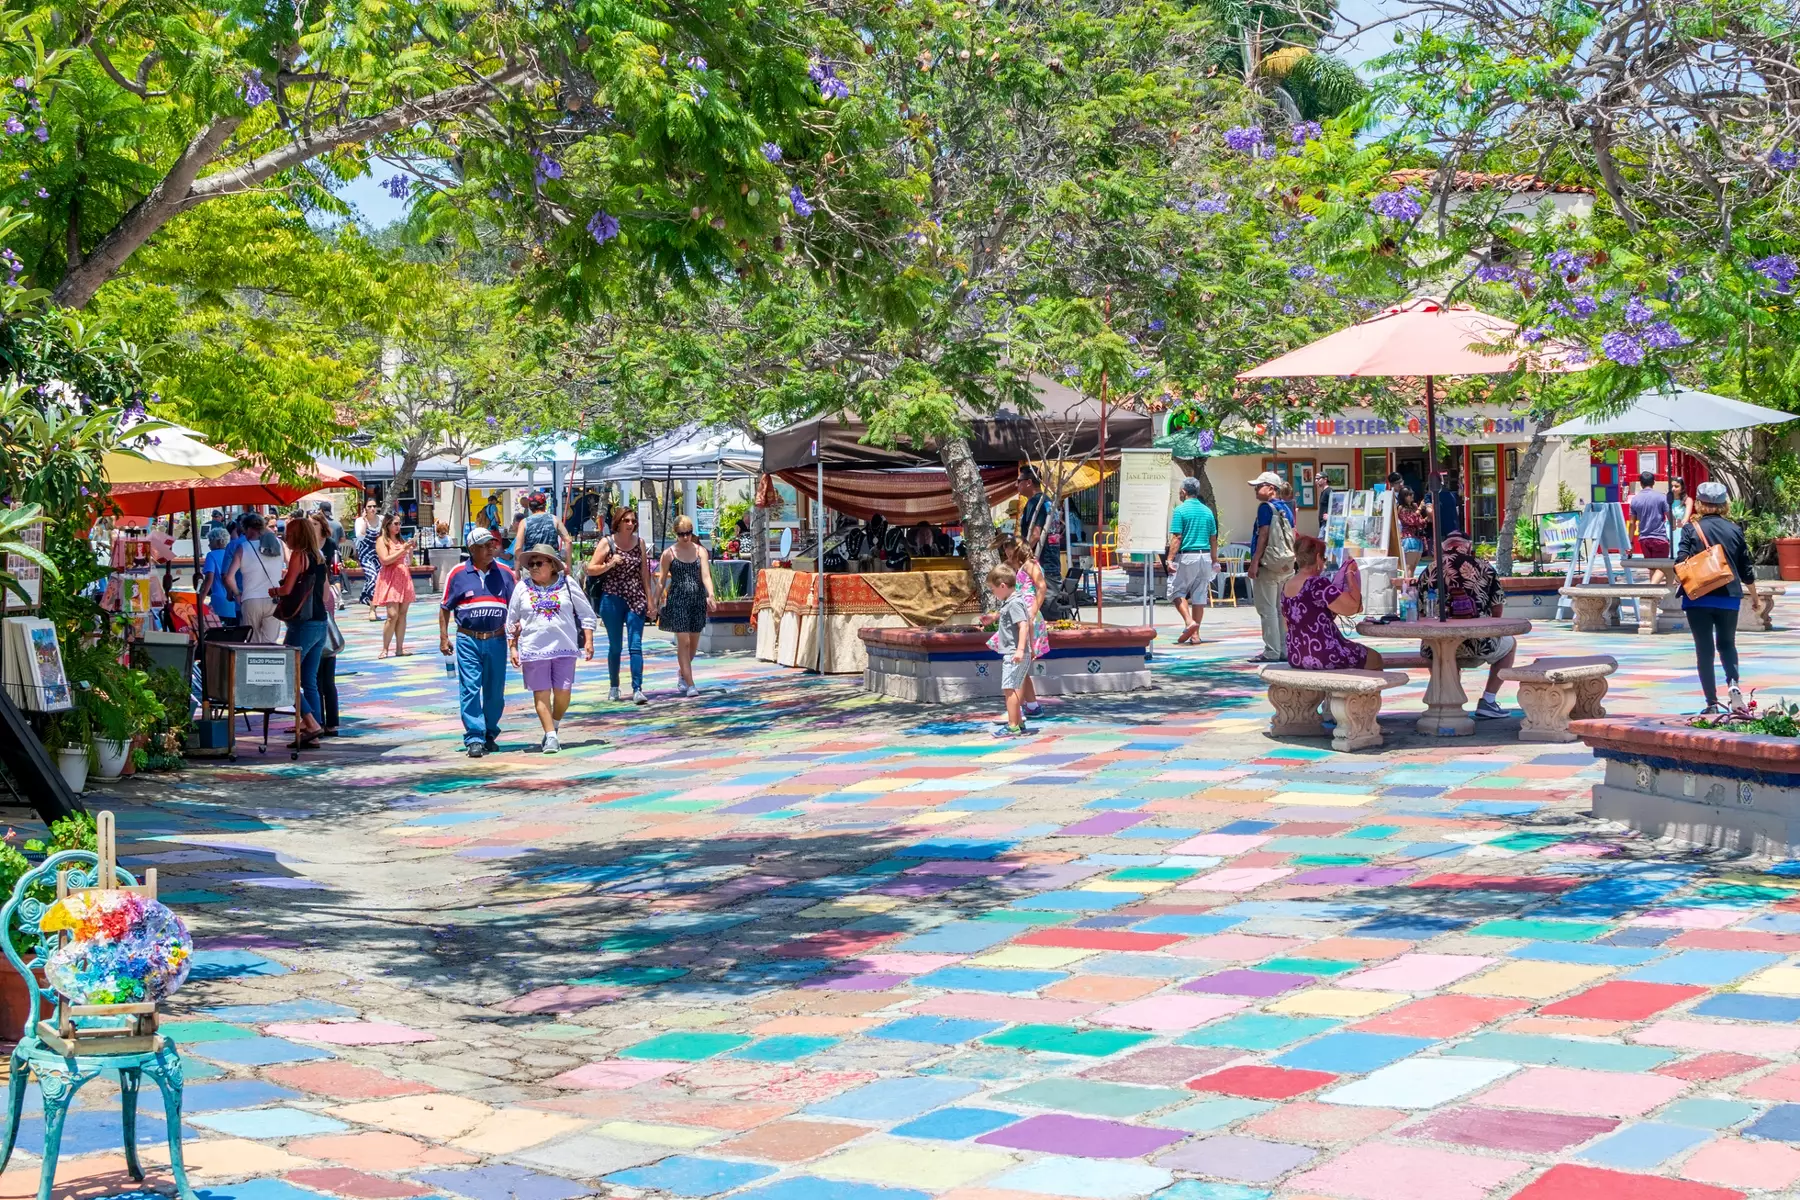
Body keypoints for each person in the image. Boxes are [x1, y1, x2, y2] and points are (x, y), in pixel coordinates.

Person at [507, 543, 595, 753]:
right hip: (534, 648)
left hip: (565, 647)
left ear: (553, 565)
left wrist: (589, 640)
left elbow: (586, 613)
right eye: (531, 565)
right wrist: (512, 647)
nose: (534, 568)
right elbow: (512, 619)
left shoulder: (567, 584)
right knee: (541, 693)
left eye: (539, 563)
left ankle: (553, 724)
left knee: (563, 693)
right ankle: (551, 736)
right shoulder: (522, 588)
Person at [1677, 480, 1756, 714]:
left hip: (1698, 597)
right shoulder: (1735, 529)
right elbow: (1746, 569)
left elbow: (1680, 561)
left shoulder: (1691, 529)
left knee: (1704, 649)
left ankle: (1711, 704)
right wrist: (1755, 596)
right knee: (1727, 644)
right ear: (1725, 504)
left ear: (1700, 503)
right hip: (1729, 596)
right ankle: (1733, 683)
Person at [1419, 531, 1516, 719]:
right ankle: (1488, 700)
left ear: (1444, 548)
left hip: (1437, 646)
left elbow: (1421, 613)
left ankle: (1451, 691)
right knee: (1510, 644)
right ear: (1469, 547)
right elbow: (1497, 611)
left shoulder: (1429, 570)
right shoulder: (1485, 568)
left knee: (1434, 648)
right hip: (1480, 644)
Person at [440, 529, 517, 755]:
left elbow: (515, 608)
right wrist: (444, 638)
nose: (490, 549)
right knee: (470, 688)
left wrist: (515, 640)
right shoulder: (457, 573)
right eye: (484, 546)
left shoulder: (505, 573)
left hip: (497, 638)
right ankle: (474, 736)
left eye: (492, 545)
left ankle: (490, 732)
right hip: (468, 639)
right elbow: (445, 607)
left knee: (495, 691)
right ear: (471, 549)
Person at [586, 505, 657, 704]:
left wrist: (650, 601)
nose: (630, 524)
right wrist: (609, 564)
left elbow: (645, 572)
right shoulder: (607, 542)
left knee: (635, 644)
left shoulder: (639, 543)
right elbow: (591, 569)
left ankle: (637, 688)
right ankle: (614, 685)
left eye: (633, 521)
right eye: (626, 520)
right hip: (612, 597)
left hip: (635, 596)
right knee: (615, 645)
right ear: (618, 522)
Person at [1281, 536, 1385, 670]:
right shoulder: (1317, 583)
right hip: (1324, 654)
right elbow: (1354, 608)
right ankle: (1355, 691)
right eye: (1324, 559)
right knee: (1375, 658)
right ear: (1318, 557)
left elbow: (1292, 623)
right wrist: (1350, 575)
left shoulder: (1286, 586)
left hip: (1297, 654)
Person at [274, 514, 330, 747]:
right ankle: (312, 729)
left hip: (302, 623)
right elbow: (325, 593)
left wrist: (274, 591)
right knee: (309, 679)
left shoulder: (298, 556)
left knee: (286, 675)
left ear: (297, 535)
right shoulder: (319, 557)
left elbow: (287, 589)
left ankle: (310, 722)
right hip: (320, 621)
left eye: (289, 534)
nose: (285, 538)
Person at [656, 515, 717, 696]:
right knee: (684, 641)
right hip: (678, 600)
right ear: (676, 534)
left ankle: (682, 673)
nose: (685, 537)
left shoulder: (700, 551)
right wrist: (653, 601)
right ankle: (691, 684)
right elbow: (661, 581)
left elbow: (705, 576)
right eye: (682, 534)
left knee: (693, 644)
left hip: (697, 599)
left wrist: (711, 594)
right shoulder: (669, 554)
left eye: (689, 533)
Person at [994, 536, 1050, 718]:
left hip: (1026, 616)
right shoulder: (1020, 566)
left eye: (1010, 549)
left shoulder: (1029, 565)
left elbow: (1042, 587)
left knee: (1018, 665)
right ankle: (1032, 706)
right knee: (1022, 667)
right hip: (1019, 614)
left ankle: (1015, 709)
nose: (1007, 552)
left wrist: (1033, 612)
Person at [1247, 471, 1297, 663]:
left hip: (1268, 564)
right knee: (1280, 609)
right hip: (1285, 563)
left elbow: (1263, 535)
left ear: (1272, 489)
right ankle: (1284, 649)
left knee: (1267, 609)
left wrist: (1254, 562)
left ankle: (1271, 651)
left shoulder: (1265, 508)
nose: (1256, 489)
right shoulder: (1287, 508)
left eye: (1260, 486)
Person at [1165, 476, 1219, 645]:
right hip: (1205, 557)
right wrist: (1214, 560)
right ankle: (1195, 635)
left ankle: (1189, 622)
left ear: (1183, 491)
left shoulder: (1180, 511)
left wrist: (1169, 559)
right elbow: (1213, 539)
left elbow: (1177, 537)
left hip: (1187, 555)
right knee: (1199, 595)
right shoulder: (1207, 511)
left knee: (1176, 591)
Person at [987, 564, 1035, 737]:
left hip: (1014, 653)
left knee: (1009, 689)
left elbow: (1023, 625)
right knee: (1013, 686)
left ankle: (1012, 724)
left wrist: (1021, 649)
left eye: (993, 590)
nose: (993, 593)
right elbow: (1028, 622)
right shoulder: (1015, 601)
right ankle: (1019, 723)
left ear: (1002, 586)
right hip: (1017, 652)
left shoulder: (1014, 603)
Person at [311, 512, 341, 736]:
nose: (311, 527)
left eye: (314, 523)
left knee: (325, 670)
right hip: (317, 605)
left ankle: (329, 720)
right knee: (315, 675)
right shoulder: (307, 548)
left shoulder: (325, 546)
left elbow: (330, 575)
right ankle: (316, 719)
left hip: (321, 605)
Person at [233, 522, 287, 641]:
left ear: (250, 529)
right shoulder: (279, 544)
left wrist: (237, 594)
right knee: (270, 642)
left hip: (251, 599)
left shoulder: (243, 548)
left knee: (253, 641)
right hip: (273, 598)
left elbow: (228, 577)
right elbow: (289, 565)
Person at [373, 513, 417, 658]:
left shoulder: (401, 541)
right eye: (395, 524)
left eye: (399, 524)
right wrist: (403, 550)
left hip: (403, 577)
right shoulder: (382, 540)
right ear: (387, 525)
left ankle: (399, 648)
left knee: (402, 614)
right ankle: (385, 648)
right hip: (390, 578)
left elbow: (408, 561)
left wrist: (410, 549)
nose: (398, 527)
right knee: (392, 614)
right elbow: (385, 560)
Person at [1017, 468, 1064, 587]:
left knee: (1041, 603)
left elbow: (1035, 535)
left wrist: (1018, 557)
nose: (1016, 485)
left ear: (1029, 482)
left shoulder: (1036, 503)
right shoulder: (1047, 501)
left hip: (1041, 565)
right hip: (1051, 563)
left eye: (1019, 481)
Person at [1631, 469, 1673, 582]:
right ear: (1653, 482)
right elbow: (1669, 515)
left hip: (1644, 538)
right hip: (1659, 537)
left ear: (1640, 483)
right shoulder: (1661, 497)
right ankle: (1651, 588)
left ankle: (1653, 595)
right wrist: (1673, 525)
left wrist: (1630, 542)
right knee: (1663, 567)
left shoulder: (1635, 500)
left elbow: (1632, 523)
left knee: (1652, 567)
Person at [512, 493, 572, 560]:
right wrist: (568, 565)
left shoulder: (524, 522)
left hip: (532, 563)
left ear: (529, 506)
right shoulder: (555, 519)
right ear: (545, 505)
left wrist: (518, 568)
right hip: (552, 562)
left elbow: (518, 548)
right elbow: (568, 541)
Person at [199, 529, 237, 628]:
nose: (209, 545)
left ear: (219, 542)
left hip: (219, 601)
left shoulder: (211, 555)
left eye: (210, 541)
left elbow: (209, 580)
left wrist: (200, 600)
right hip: (234, 602)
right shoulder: (233, 554)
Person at [354, 499, 382, 620]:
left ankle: (366, 597)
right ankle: (372, 610)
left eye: (374, 506)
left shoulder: (381, 519)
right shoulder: (360, 521)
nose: (372, 509)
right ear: (365, 508)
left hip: (378, 554)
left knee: (378, 580)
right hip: (365, 554)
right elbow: (360, 536)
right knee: (373, 577)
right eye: (369, 506)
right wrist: (365, 522)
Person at [1395, 487, 1429, 572]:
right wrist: (1419, 509)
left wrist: (1426, 519)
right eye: (1408, 495)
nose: (1411, 496)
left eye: (1412, 494)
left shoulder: (1414, 506)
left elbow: (1420, 523)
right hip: (1409, 538)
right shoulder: (1401, 508)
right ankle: (1407, 585)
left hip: (1418, 538)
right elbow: (1411, 521)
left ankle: (1410, 584)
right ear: (1403, 497)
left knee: (1414, 567)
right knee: (1409, 567)